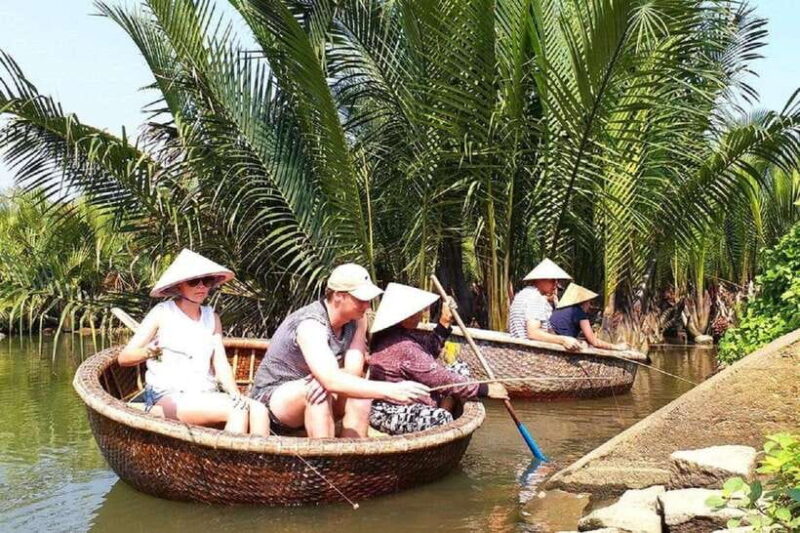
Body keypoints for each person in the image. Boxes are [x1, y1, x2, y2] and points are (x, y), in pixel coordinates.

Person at [249, 264, 430, 438]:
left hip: (321, 387)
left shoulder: (358, 320)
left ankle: (353, 459)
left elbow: (353, 371)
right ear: (338, 296)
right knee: (317, 391)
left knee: (360, 395)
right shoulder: (311, 325)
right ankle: (325, 461)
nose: (367, 306)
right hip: (274, 399)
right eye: (360, 300)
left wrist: (329, 378)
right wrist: (391, 390)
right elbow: (330, 381)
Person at [118, 249, 269, 436]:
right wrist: (150, 351)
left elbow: (220, 363)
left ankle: (255, 464)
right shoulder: (162, 313)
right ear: (179, 285)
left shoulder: (212, 317)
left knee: (259, 411)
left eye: (206, 281)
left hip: (204, 393)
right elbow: (124, 358)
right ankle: (225, 463)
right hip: (167, 395)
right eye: (193, 282)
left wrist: (234, 393)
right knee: (236, 410)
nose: (201, 287)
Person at [368, 283, 508, 435]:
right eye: (417, 311)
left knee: (459, 367)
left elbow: (427, 351)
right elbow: (442, 379)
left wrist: (445, 322)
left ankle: (443, 407)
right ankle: (443, 415)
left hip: (414, 399)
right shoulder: (401, 345)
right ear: (404, 317)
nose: (421, 314)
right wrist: (485, 389)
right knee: (441, 418)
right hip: (390, 410)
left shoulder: (401, 335)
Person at [507, 258, 581, 350]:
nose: (555, 284)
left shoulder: (524, 294)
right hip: (529, 353)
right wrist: (563, 340)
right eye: (552, 280)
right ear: (539, 280)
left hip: (519, 350)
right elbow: (533, 333)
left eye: (557, 280)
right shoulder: (535, 298)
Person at [549, 283, 629, 351]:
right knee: (586, 345)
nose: (590, 306)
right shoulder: (579, 313)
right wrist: (616, 347)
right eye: (589, 303)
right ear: (583, 302)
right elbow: (594, 341)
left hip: (551, 336)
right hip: (561, 341)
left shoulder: (559, 309)